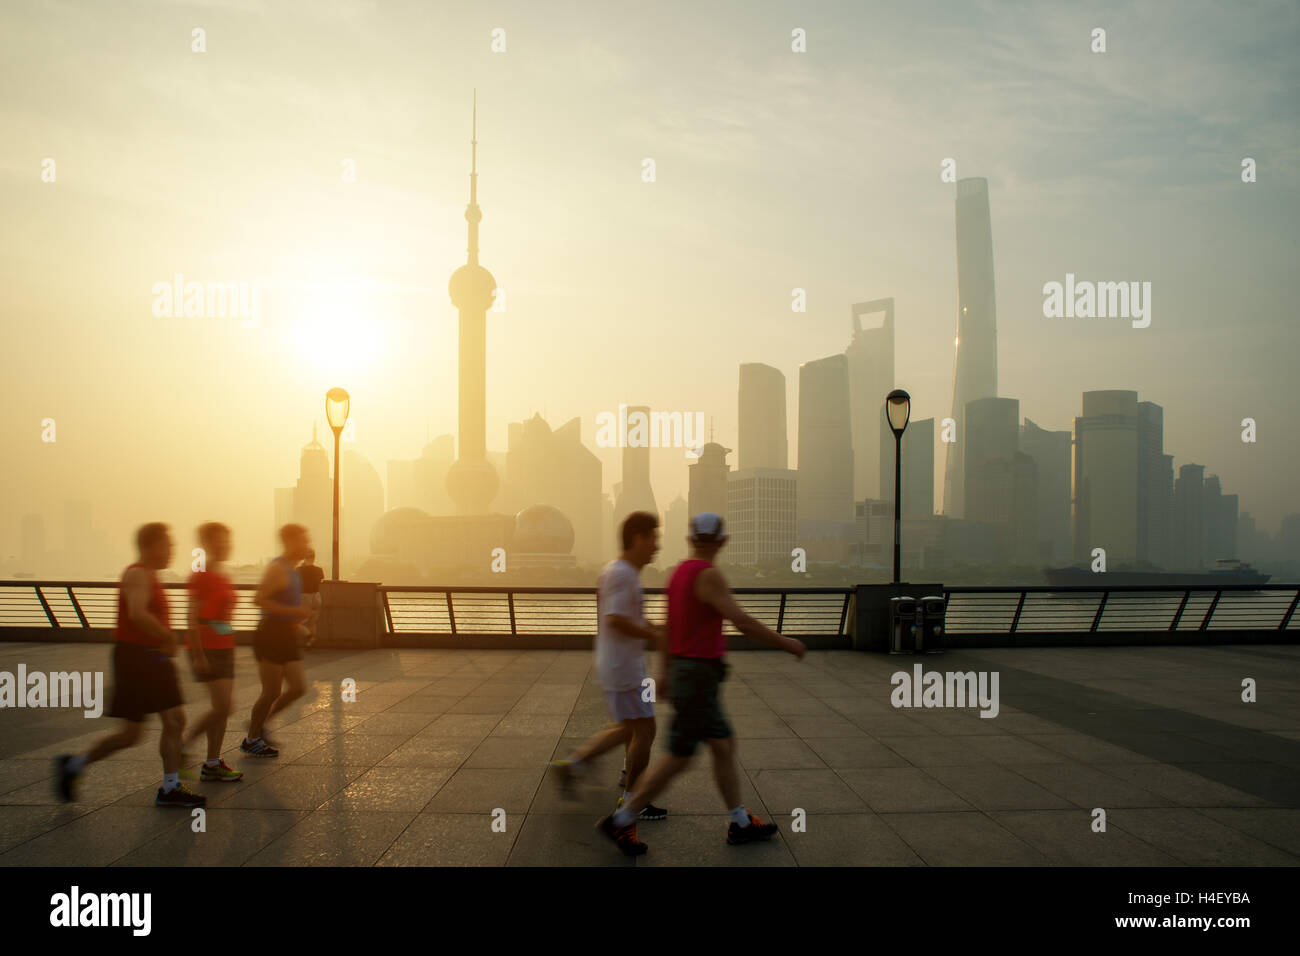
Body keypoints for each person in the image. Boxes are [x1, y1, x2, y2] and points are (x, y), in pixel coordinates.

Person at [597, 513, 805, 856]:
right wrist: (787, 642)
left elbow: (669, 628)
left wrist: (665, 672)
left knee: (723, 745)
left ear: (691, 539)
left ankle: (739, 821)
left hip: (689, 675)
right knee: (679, 757)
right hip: (697, 678)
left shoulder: (679, 574)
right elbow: (741, 622)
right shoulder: (709, 577)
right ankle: (622, 820)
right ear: (723, 542)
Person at [55, 523, 206, 808]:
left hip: (152, 658)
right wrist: (167, 636)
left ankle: (169, 785)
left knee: (170, 722)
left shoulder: (150, 575)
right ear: (150, 546)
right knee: (133, 734)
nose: (172, 550)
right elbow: (137, 613)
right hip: (137, 658)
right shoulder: (137, 573)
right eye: (167, 545)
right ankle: (76, 764)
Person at [548, 512, 667, 844]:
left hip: (621, 665)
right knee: (645, 729)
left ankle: (573, 765)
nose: (657, 546)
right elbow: (615, 619)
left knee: (628, 729)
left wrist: (653, 628)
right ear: (638, 538)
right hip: (625, 669)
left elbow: (626, 618)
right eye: (654, 538)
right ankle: (629, 806)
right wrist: (653, 635)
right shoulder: (622, 574)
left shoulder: (621, 572)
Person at [240, 524, 312, 758]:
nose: (307, 545)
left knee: (298, 687)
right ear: (288, 541)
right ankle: (251, 738)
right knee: (271, 691)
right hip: (270, 634)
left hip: (286, 634)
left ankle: (261, 725)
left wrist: (296, 625)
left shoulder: (293, 570)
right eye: (302, 540)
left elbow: (285, 607)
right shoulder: (277, 568)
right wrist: (294, 614)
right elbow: (259, 600)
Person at [183, 522, 243, 781]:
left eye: (226, 540)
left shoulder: (223, 574)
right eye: (218, 540)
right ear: (206, 544)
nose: (224, 545)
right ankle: (184, 746)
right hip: (207, 646)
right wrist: (198, 655)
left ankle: (212, 762)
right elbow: (192, 616)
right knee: (223, 706)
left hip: (224, 644)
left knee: (223, 707)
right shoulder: (201, 575)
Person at [297, 549, 324, 647]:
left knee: (297, 622)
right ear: (314, 558)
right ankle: (311, 640)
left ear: (304, 558)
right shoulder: (319, 570)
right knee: (313, 622)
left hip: (304, 596)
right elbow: (320, 580)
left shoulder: (299, 570)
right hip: (316, 596)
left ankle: (308, 636)